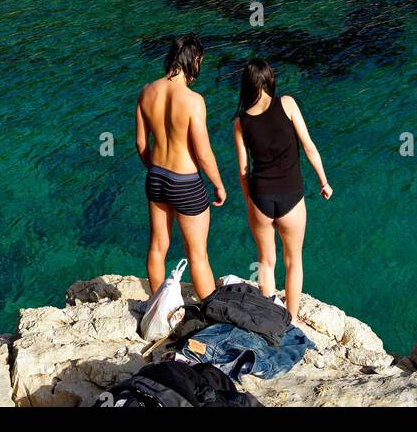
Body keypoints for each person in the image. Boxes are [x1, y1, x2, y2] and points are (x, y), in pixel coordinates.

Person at [233, 59, 332, 325]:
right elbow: (309, 146)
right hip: (291, 198)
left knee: (265, 262)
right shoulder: (287, 104)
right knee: (293, 260)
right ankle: (292, 318)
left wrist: (249, 202)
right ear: (269, 80)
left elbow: (243, 170)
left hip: (260, 199)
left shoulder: (241, 122)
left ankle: (268, 320)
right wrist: (323, 181)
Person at [136, 35, 226, 301]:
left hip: (156, 177)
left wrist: (154, 169)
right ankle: (211, 316)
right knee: (197, 254)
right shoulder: (193, 100)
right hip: (185, 182)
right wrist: (219, 185)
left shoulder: (147, 91)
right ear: (194, 60)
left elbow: (141, 143)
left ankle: (157, 308)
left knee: (157, 246)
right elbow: (203, 153)